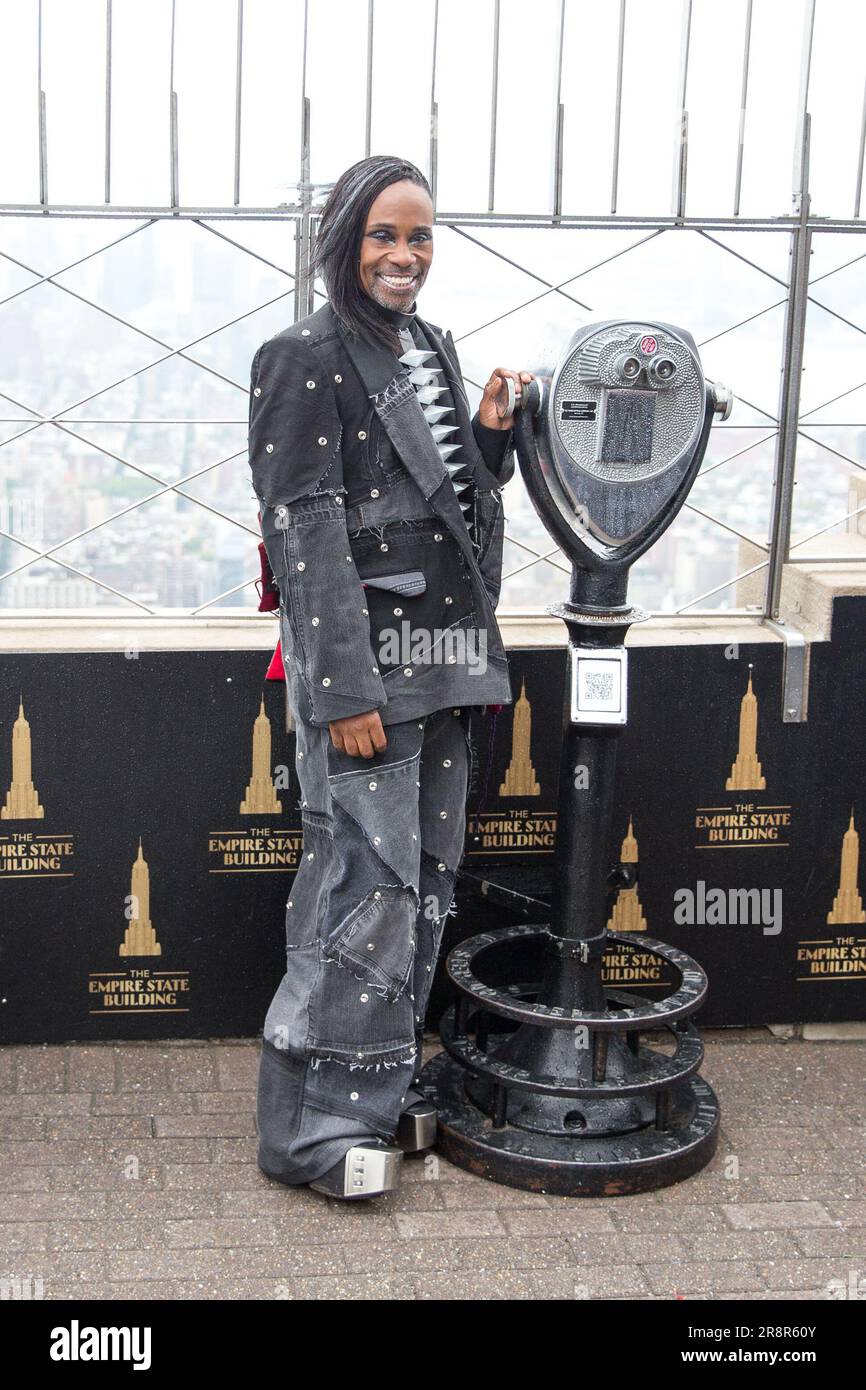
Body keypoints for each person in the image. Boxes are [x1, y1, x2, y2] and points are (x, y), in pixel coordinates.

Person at [248, 154, 534, 1200]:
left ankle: (373, 1094)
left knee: (420, 889)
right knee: (357, 896)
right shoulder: (303, 354)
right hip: (370, 675)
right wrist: (344, 692)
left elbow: (442, 500)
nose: (403, 255)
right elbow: (306, 527)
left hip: (449, 661)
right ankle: (313, 1135)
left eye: (417, 236)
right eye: (382, 235)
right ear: (341, 242)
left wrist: (490, 436)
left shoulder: (427, 347)